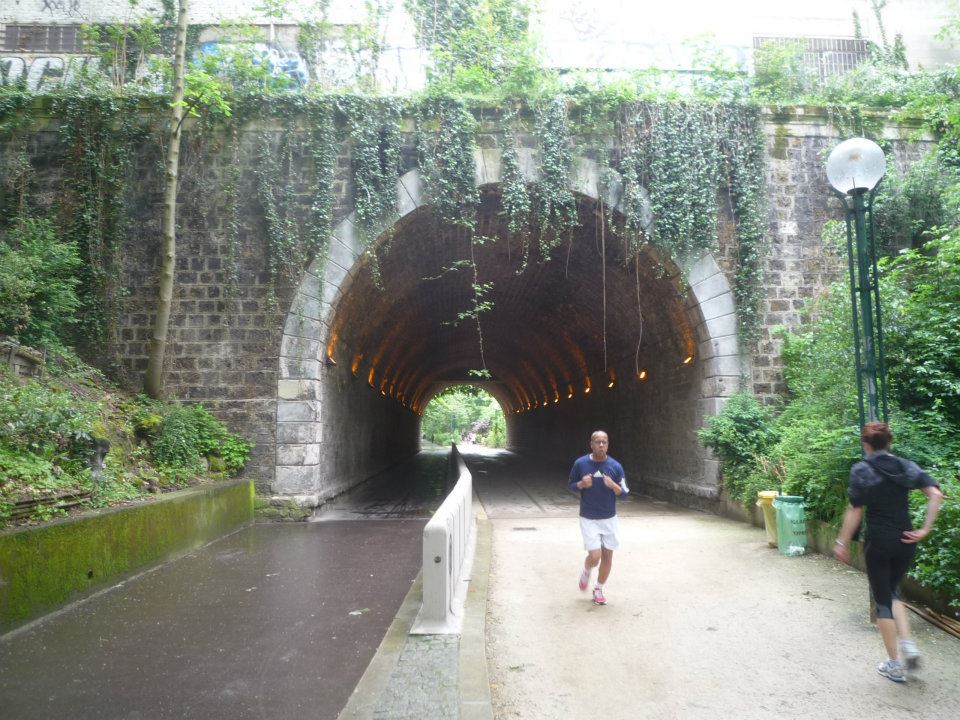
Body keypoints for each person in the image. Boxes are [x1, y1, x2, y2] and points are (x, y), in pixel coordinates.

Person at [834, 421, 943, 683]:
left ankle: (894, 664)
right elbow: (935, 494)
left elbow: (855, 510)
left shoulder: (861, 470)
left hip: (879, 544)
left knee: (883, 601)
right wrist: (925, 529)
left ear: (865, 445)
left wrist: (842, 542)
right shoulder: (905, 466)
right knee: (894, 593)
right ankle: (908, 644)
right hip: (906, 540)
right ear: (890, 442)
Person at [568, 430, 629, 605]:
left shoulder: (616, 467)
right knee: (595, 556)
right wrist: (581, 484)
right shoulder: (580, 464)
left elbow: (624, 493)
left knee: (608, 556)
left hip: (609, 518)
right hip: (588, 517)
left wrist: (613, 486)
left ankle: (599, 589)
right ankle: (587, 568)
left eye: (604, 442)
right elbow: (571, 485)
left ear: (608, 444)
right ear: (591, 444)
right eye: (597, 442)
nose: (601, 445)